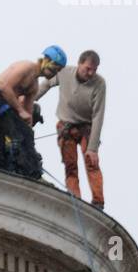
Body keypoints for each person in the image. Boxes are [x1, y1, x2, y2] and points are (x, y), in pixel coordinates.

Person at [0, 46, 67, 178]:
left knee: (4, 142)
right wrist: (20, 111)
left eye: (57, 71)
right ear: (45, 60)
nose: (53, 72)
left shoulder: (34, 86)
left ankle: (1, 169)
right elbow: (4, 87)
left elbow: (27, 114)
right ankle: (18, 165)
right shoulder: (26, 67)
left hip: (0, 106)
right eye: (53, 68)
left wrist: (29, 133)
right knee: (12, 137)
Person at [37, 49, 106, 208]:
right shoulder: (65, 73)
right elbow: (46, 84)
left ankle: (98, 202)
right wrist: (27, 101)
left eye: (94, 70)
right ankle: (75, 200)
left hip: (86, 129)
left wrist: (93, 148)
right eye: (87, 68)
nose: (90, 73)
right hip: (66, 127)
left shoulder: (99, 84)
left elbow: (98, 115)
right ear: (79, 64)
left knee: (91, 163)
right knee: (70, 166)